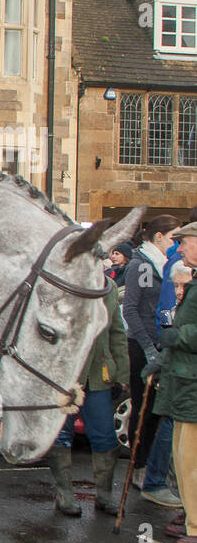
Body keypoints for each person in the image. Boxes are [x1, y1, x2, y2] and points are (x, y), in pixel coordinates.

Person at [46, 272, 128, 516]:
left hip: (98, 376)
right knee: (62, 435)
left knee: (104, 437)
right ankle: (64, 494)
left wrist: (122, 374)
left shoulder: (109, 287)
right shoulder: (65, 282)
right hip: (68, 377)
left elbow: (116, 332)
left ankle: (104, 496)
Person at [122, 213, 183, 507]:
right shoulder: (141, 265)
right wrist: (148, 347)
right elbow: (132, 310)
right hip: (143, 345)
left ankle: (153, 466)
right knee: (144, 412)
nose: (177, 244)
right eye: (174, 237)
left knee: (159, 413)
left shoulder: (167, 265)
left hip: (162, 345)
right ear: (158, 237)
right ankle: (139, 466)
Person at [145, 220, 197, 543]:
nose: (179, 248)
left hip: (192, 381)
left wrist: (180, 335)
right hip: (183, 378)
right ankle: (192, 518)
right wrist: (161, 361)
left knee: (190, 459)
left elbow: (188, 332)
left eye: (186, 242)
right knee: (182, 458)